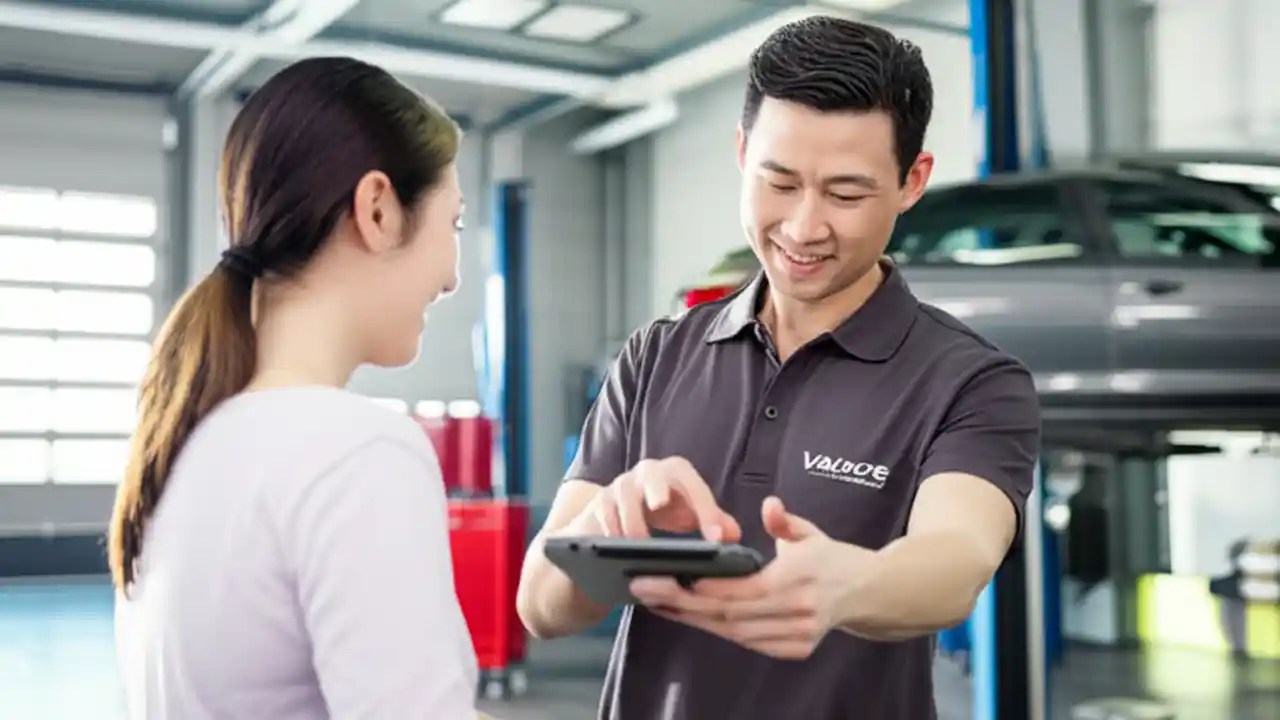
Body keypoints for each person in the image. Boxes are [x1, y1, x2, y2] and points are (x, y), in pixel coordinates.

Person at [516, 15, 1041, 720]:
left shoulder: (971, 381)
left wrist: (851, 584)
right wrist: (607, 537)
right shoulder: (656, 356)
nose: (803, 228)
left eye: (847, 194)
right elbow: (540, 609)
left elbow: (956, 558)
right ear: (741, 153)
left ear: (912, 181)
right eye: (779, 182)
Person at [109, 57, 479, 719]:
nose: (453, 276)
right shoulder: (360, 454)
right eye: (452, 225)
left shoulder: (186, 443)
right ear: (377, 210)